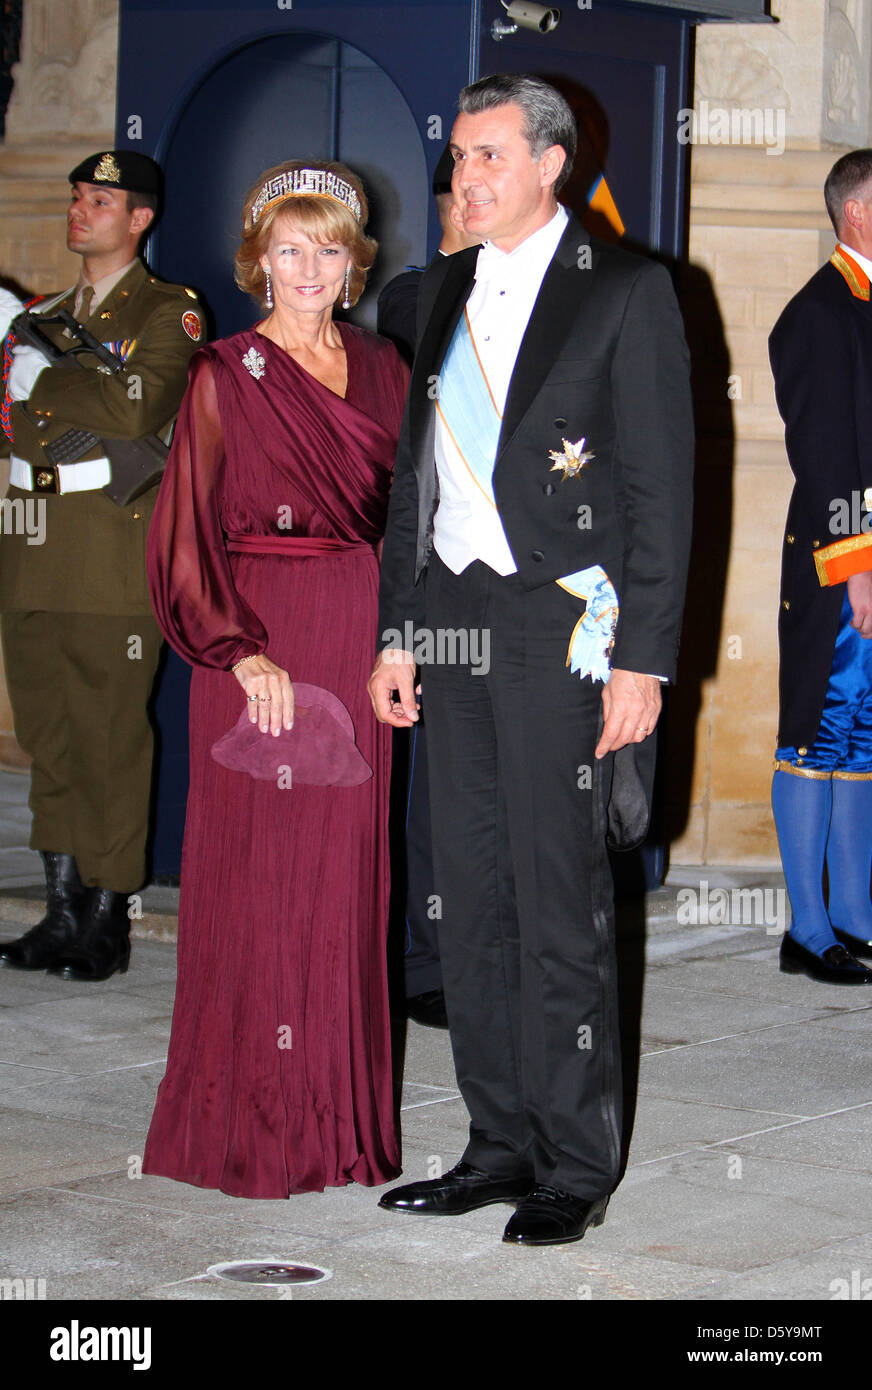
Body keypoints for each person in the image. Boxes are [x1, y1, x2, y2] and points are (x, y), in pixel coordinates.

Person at [368, 74, 694, 1246]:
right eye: (458, 157)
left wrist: (642, 662)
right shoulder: (440, 288)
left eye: (488, 157)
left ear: (550, 164)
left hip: (565, 629)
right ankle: (494, 1139)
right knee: (469, 899)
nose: (464, 177)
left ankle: (573, 1158)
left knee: (560, 903)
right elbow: (416, 481)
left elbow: (661, 494)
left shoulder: (627, 290)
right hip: (451, 622)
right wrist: (394, 632)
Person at [142, 160, 408, 1198]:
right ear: (257, 262)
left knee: (344, 880)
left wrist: (404, 633)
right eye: (288, 248)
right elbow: (180, 536)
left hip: (357, 629)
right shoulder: (221, 372)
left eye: (328, 248)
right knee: (257, 878)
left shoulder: (387, 367)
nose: (308, 267)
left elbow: (412, 521)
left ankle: (338, 1127)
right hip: (256, 644)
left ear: (354, 263)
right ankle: (245, 1126)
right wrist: (235, 647)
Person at [0, 150, 203, 981]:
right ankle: (61, 906)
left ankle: (109, 912)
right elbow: (17, 425)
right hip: (32, 535)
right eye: (78, 197)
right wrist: (66, 392)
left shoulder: (169, 311)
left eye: (102, 200)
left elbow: (140, 406)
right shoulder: (36, 314)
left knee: (111, 735)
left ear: (141, 217)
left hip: (111, 550)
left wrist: (48, 385)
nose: (82, 210)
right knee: (49, 733)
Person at [377, 145, 481, 1030]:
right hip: (434, 570)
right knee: (437, 785)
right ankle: (427, 959)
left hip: (508, 584)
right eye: (464, 189)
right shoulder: (419, 294)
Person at [768, 149, 872, 987]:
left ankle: (855, 916)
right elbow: (828, 454)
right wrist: (858, 568)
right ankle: (808, 927)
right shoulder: (818, 313)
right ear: (857, 213)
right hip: (840, 563)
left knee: (865, 740)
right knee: (818, 732)